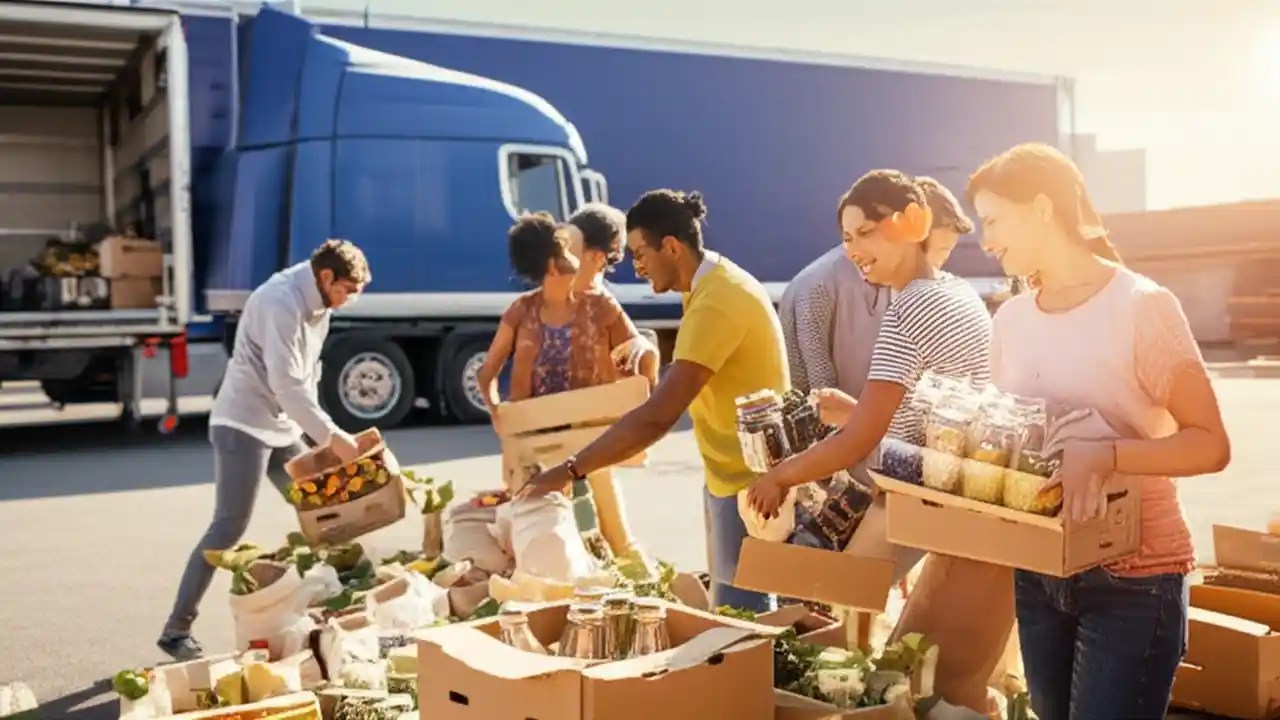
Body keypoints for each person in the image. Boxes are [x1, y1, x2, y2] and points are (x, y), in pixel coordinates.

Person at [968, 142, 1231, 719]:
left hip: (1133, 577)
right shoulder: (1010, 320)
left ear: (1041, 207)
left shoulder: (1141, 306)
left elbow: (1211, 444)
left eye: (991, 221)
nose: (984, 241)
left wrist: (1107, 454)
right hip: (1039, 572)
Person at [745, 170, 1009, 712]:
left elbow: (863, 436)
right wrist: (855, 411)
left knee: (840, 609)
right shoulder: (958, 294)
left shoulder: (908, 308)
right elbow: (943, 406)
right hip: (966, 492)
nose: (853, 250)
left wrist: (781, 475)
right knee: (936, 674)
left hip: (925, 498)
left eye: (865, 233)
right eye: (846, 238)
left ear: (910, 224)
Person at [520, 189, 789, 612]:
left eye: (640, 253)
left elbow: (658, 417)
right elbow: (696, 368)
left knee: (744, 624)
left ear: (672, 247)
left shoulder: (717, 301)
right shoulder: (711, 283)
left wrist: (571, 469)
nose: (636, 267)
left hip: (749, 484)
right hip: (731, 475)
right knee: (735, 611)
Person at [158, 239, 370, 660]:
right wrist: (332, 437)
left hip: (280, 425)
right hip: (242, 424)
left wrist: (315, 439)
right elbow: (286, 384)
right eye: (346, 291)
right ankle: (176, 629)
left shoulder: (320, 306)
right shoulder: (280, 302)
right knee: (228, 528)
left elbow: (307, 378)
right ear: (326, 277)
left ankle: (330, 608)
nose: (346, 302)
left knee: (322, 510)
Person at [476, 212, 657, 556]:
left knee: (613, 536)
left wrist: (643, 368)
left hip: (588, 440)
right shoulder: (521, 311)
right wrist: (496, 410)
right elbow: (487, 371)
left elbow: (640, 352)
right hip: (535, 445)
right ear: (553, 264)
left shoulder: (600, 305)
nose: (577, 257)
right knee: (543, 538)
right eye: (567, 250)